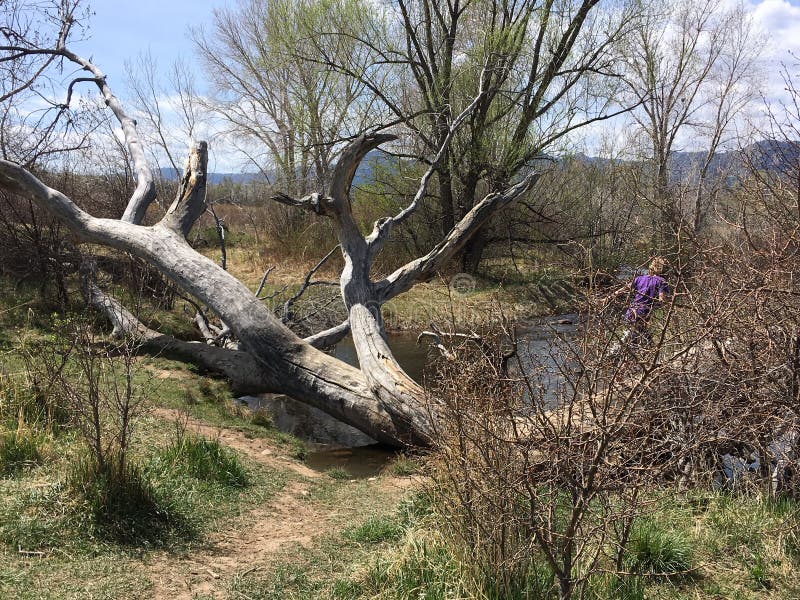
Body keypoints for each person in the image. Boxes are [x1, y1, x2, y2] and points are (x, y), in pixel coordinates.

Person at [620, 257, 669, 347]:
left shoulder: (639, 278)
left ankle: (618, 355)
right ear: (661, 269)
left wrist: (608, 297)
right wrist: (667, 307)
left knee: (636, 337)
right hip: (643, 314)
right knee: (643, 340)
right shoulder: (661, 281)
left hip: (631, 311)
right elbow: (661, 298)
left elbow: (624, 289)